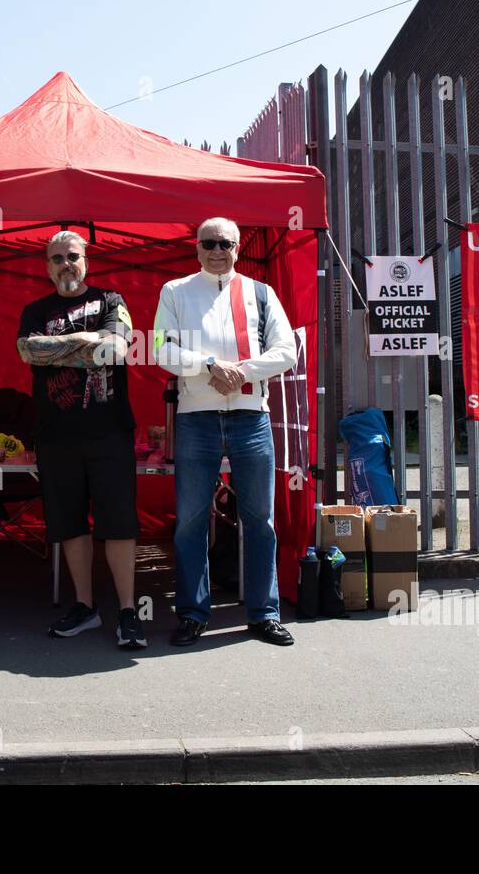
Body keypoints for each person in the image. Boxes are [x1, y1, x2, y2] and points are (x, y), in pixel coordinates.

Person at [152, 217, 298, 647]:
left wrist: (241, 373)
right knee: (190, 521)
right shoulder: (175, 291)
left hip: (250, 417)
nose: (217, 250)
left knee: (260, 520)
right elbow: (161, 348)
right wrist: (210, 366)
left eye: (226, 243)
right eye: (209, 243)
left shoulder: (261, 292)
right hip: (197, 418)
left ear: (237, 248)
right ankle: (194, 614)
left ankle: (263, 613)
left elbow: (286, 351)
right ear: (196, 247)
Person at [16, 231, 146, 650]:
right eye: (57, 258)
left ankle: (127, 612)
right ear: (46, 266)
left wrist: (58, 348)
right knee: (70, 522)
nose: (65, 264)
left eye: (73, 256)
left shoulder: (112, 300)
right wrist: (88, 343)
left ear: (86, 260)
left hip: (109, 431)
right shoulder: (34, 310)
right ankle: (85, 607)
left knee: (119, 522)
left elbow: (117, 349)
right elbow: (27, 351)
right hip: (56, 435)